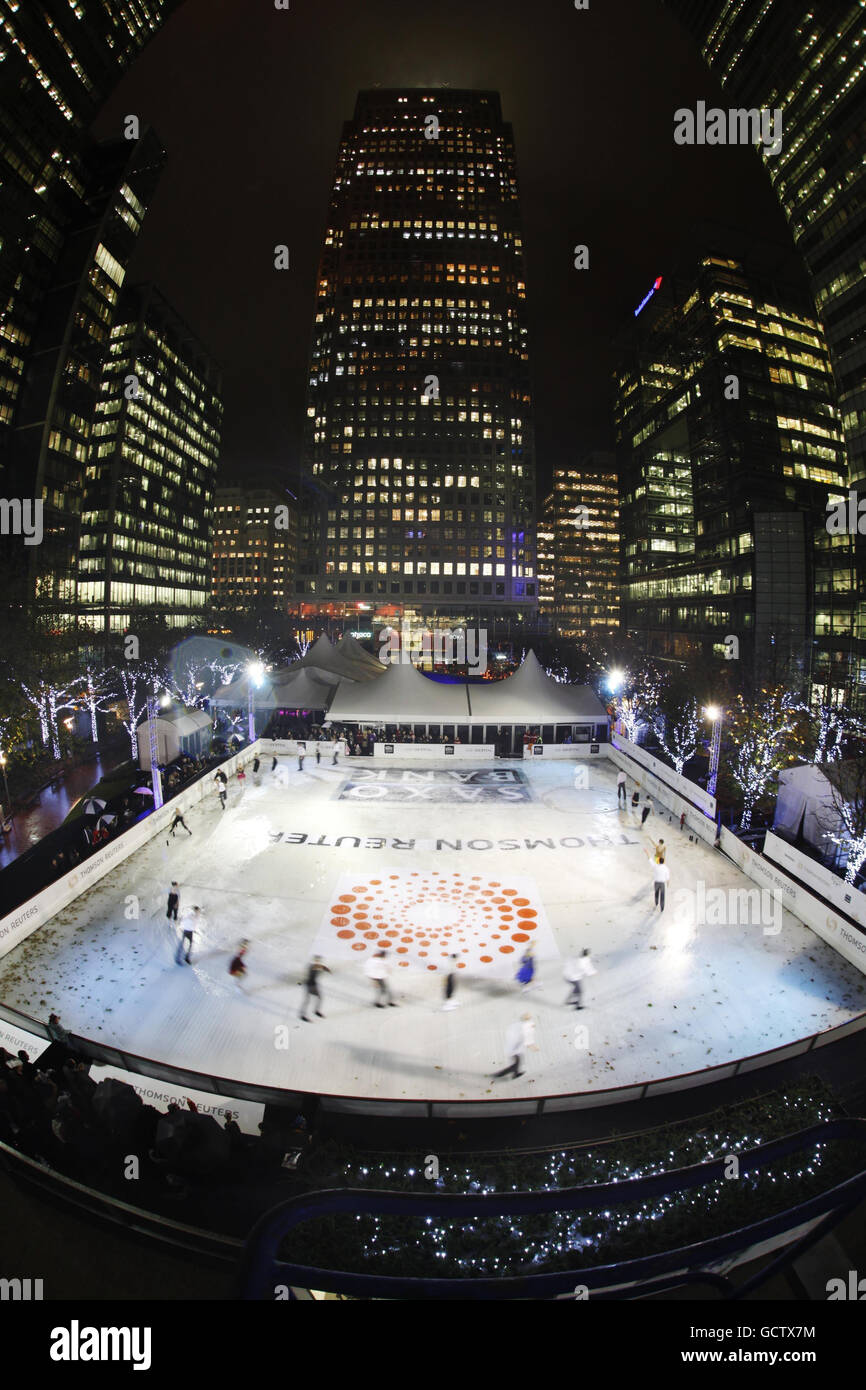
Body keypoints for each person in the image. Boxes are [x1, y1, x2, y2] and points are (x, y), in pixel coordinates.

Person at [492, 1014, 536, 1080]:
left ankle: (515, 1074)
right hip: (514, 1049)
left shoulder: (520, 1026)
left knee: (517, 1062)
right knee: (516, 1064)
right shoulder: (520, 1027)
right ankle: (499, 1074)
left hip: (515, 1049)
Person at [299, 956, 331, 1021]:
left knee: (319, 998)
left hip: (314, 985)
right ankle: (302, 1015)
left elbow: (320, 967)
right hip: (309, 985)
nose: (318, 962)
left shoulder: (317, 967)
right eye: (317, 960)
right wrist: (324, 968)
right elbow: (315, 968)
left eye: (318, 960)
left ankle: (316, 1011)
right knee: (307, 1001)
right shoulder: (311, 966)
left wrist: (326, 969)